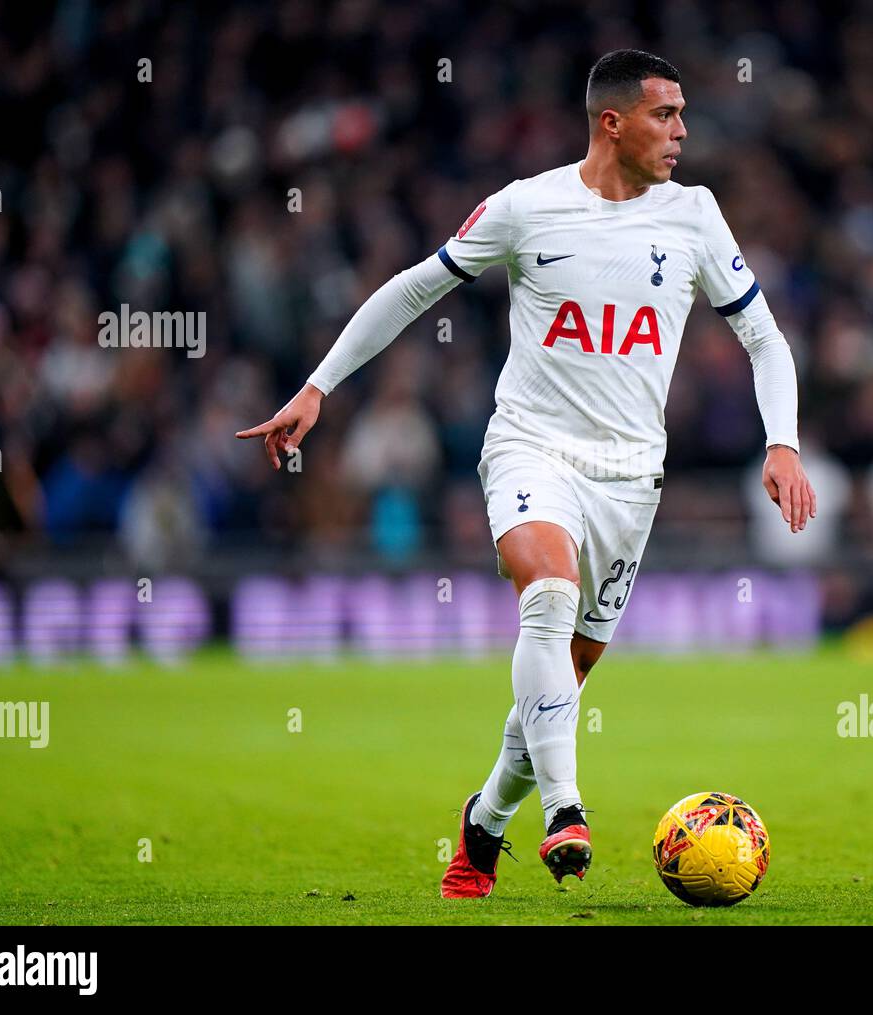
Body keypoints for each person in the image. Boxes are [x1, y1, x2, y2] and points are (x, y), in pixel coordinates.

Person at [236, 49, 814, 898]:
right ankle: (565, 810)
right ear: (611, 123)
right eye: (666, 115)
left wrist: (784, 441)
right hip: (531, 448)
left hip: (631, 480)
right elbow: (410, 289)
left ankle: (484, 822)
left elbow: (763, 337)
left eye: (684, 114)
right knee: (545, 592)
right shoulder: (526, 207)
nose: (684, 131)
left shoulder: (695, 216)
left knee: (561, 681)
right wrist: (318, 387)